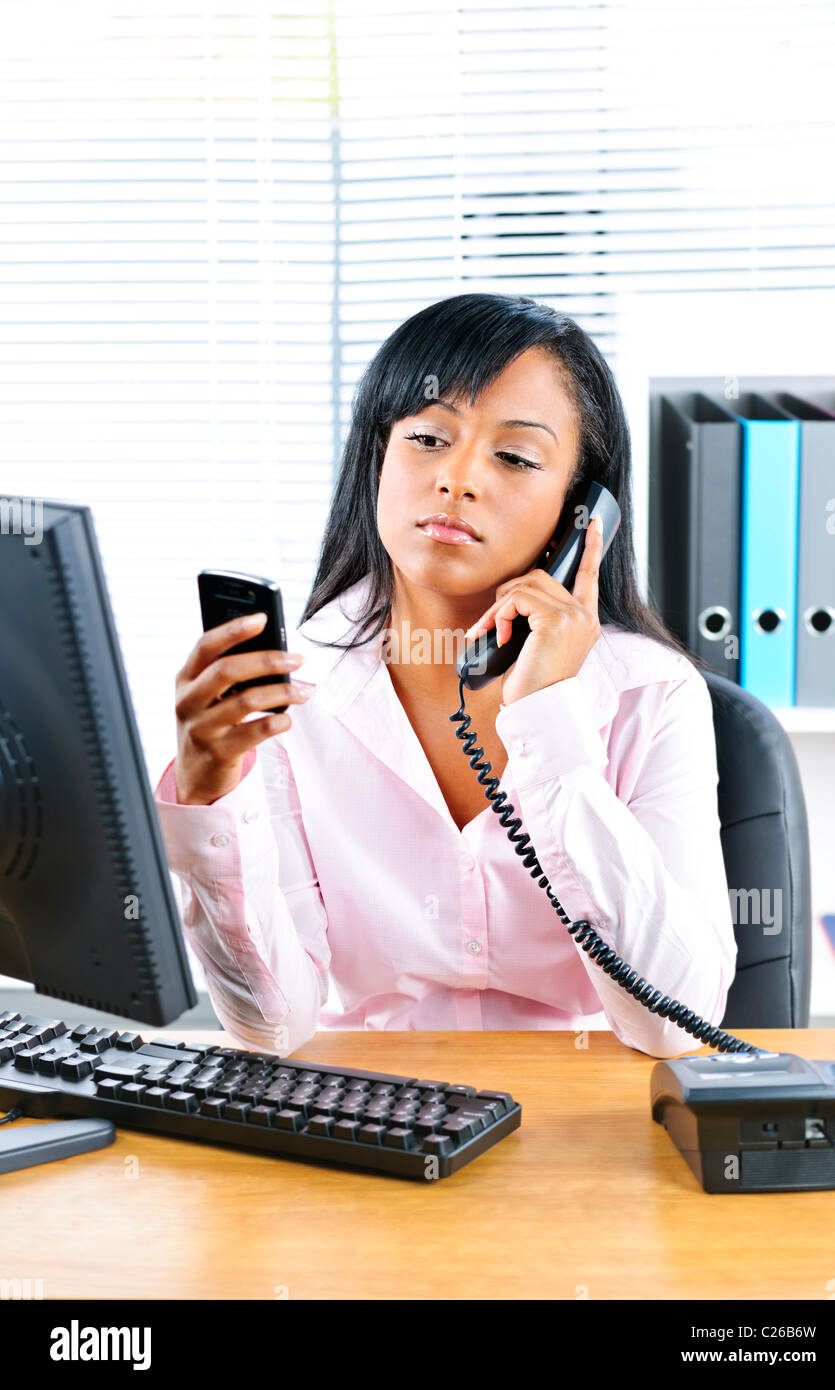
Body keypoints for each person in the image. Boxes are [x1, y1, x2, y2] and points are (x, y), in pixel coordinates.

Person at [153, 292, 736, 1059]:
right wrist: (210, 794)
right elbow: (272, 1023)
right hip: (371, 1116)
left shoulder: (650, 697)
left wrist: (550, 724)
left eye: (516, 457)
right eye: (428, 437)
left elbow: (673, 1023)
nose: (457, 478)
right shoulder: (298, 692)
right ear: (379, 458)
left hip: (586, 1128)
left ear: (583, 514)